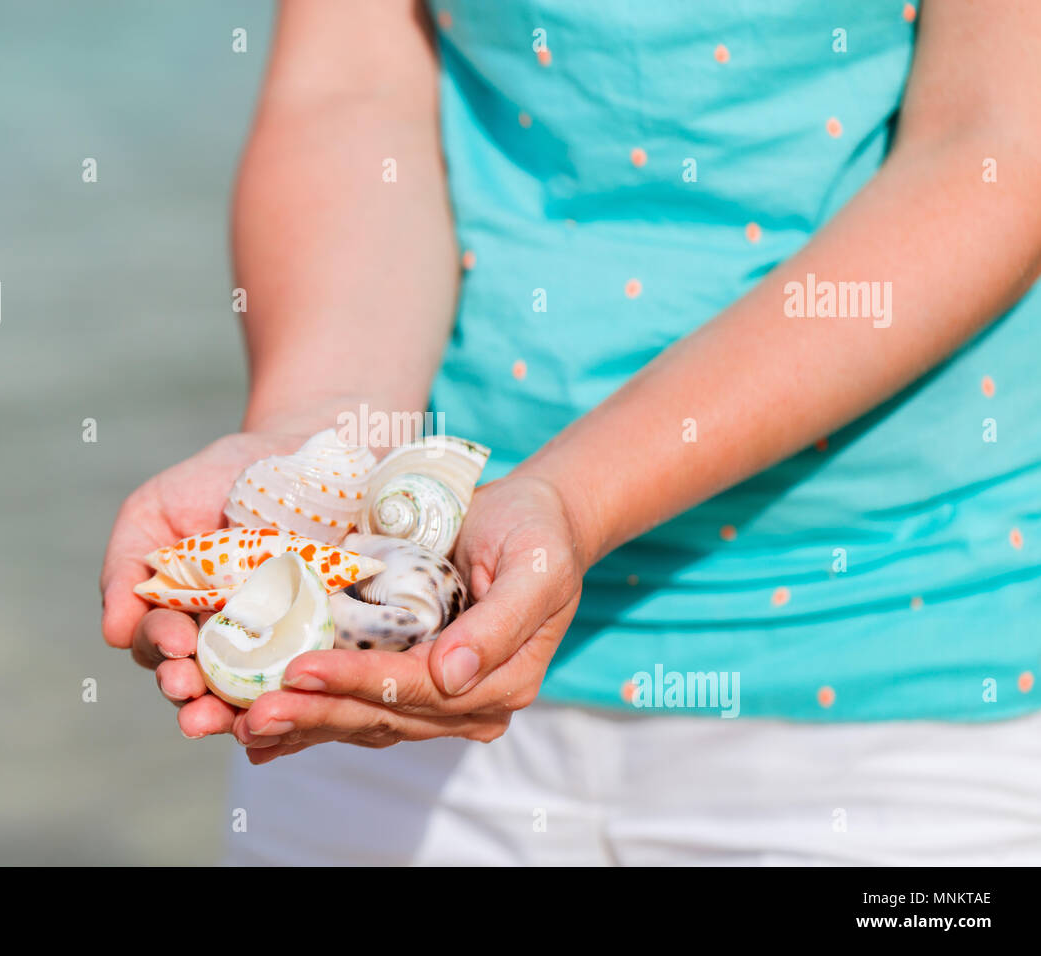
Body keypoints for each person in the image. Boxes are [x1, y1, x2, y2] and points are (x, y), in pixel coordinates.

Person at [101, 0, 1041, 864]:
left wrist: (570, 498)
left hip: (902, 676)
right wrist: (320, 445)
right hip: (374, 685)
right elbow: (357, 91)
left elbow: (995, 147)